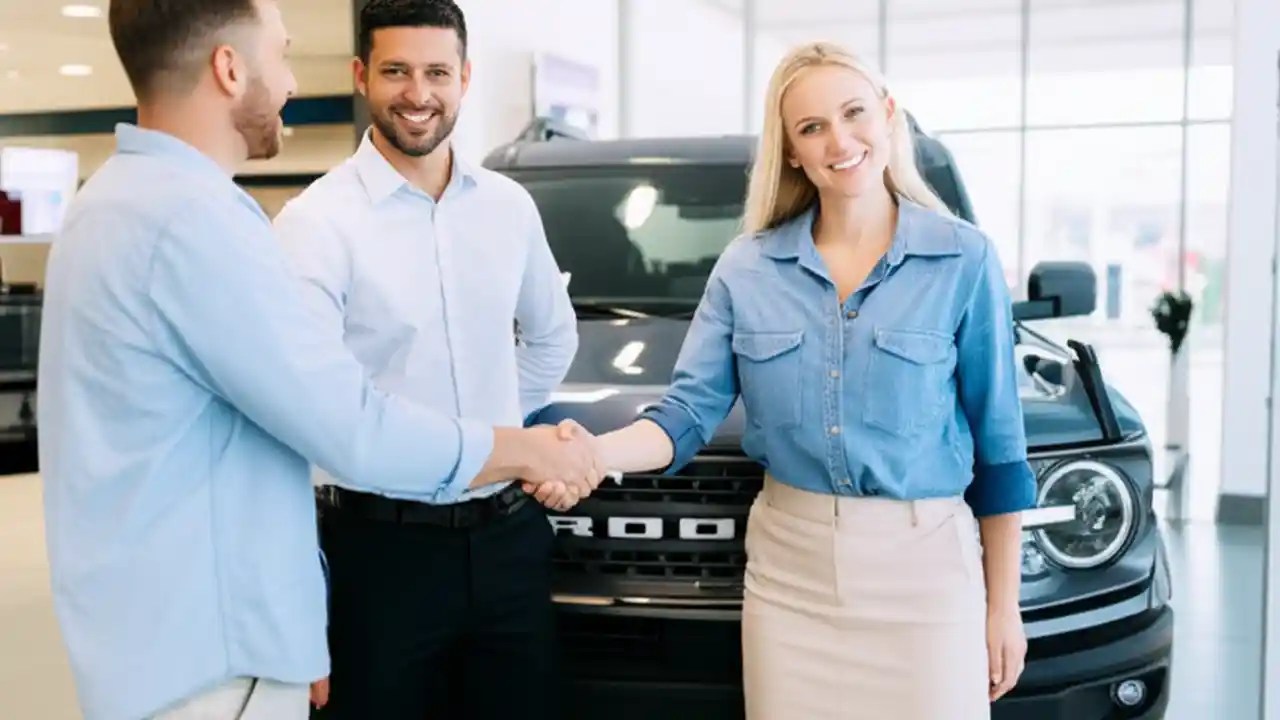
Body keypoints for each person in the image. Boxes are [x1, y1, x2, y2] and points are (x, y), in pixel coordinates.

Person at [38, 2, 601, 719]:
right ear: (230, 68)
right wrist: (524, 447)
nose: (292, 81)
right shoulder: (200, 224)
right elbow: (344, 426)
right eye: (282, 54)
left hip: (171, 639)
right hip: (215, 647)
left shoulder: (114, 202)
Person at [570, 40, 1033, 719]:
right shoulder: (747, 268)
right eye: (811, 128)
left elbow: (1000, 447)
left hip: (927, 576)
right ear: (790, 150)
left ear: (888, 113)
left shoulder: (963, 258)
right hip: (792, 580)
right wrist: (593, 453)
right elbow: (686, 415)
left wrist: (1004, 606)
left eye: (853, 114)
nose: (838, 140)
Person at [272, 1, 580, 718]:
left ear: (465, 77)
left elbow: (552, 337)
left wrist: (497, 432)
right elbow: (313, 409)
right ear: (361, 76)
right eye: (397, 72)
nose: (419, 93)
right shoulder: (316, 224)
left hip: (508, 540)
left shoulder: (508, 207)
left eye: (438, 71)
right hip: (380, 552)